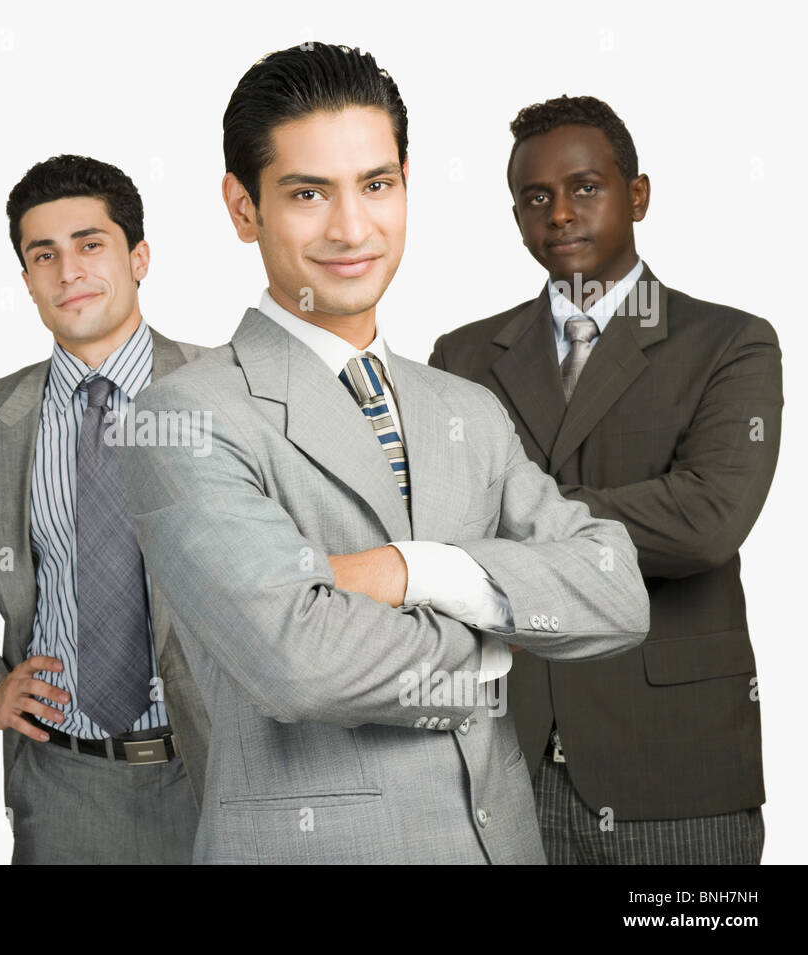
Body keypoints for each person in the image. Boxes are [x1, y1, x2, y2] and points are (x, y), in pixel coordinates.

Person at [118, 44, 651, 863]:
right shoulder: (185, 417)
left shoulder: (462, 404)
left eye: (377, 185)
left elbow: (616, 592)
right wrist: (499, 640)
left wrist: (416, 572)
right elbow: (300, 663)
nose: (352, 228)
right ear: (241, 207)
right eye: (308, 193)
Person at [429, 95, 780, 864]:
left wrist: (515, 518)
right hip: (504, 762)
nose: (560, 212)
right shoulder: (462, 357)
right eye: (535, 197)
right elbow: (441, 525)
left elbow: (707, 520)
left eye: (585, 186)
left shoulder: (729, 343)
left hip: (673, 768)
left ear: (638, 195)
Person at [0, 155, 204, 863]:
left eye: (90, 244)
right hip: (63, 782)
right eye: (45, 254)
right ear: (27, 279)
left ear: (139, 257)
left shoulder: (230, 391)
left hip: (215, 771)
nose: (68, 271)